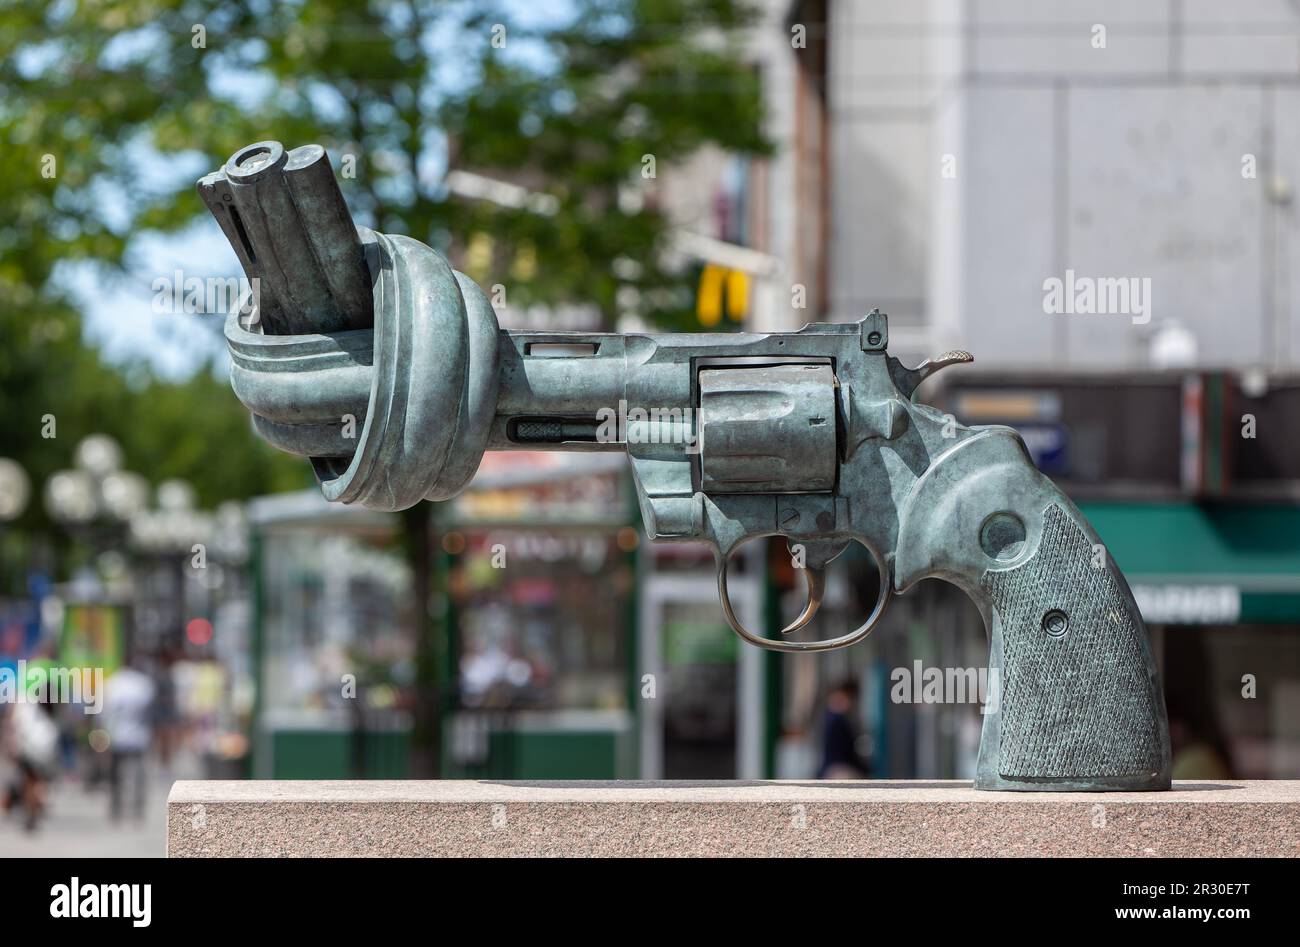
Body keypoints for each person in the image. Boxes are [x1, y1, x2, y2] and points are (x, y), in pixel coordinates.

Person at [103, 658, 155, 821]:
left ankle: (116, 807)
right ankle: (137, 808)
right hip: (139, 735)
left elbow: (105, 712)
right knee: (139, 774)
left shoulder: (113, 683)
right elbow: (150, 711)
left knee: (115, 774)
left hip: (117, 734)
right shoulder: (143, 684)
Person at [2, 700, 60, 831]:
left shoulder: (27, 707)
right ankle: (33, 809)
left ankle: (31, 809)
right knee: (35, 782)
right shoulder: (44, 711)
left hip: (30, 751)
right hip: (40, 752)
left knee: (30, 782)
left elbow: (14, 726)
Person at [817, 678, 873, 779]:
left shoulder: (830, 717)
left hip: (832, 768)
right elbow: (845, 751)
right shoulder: (837, 719)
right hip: (840, 770)